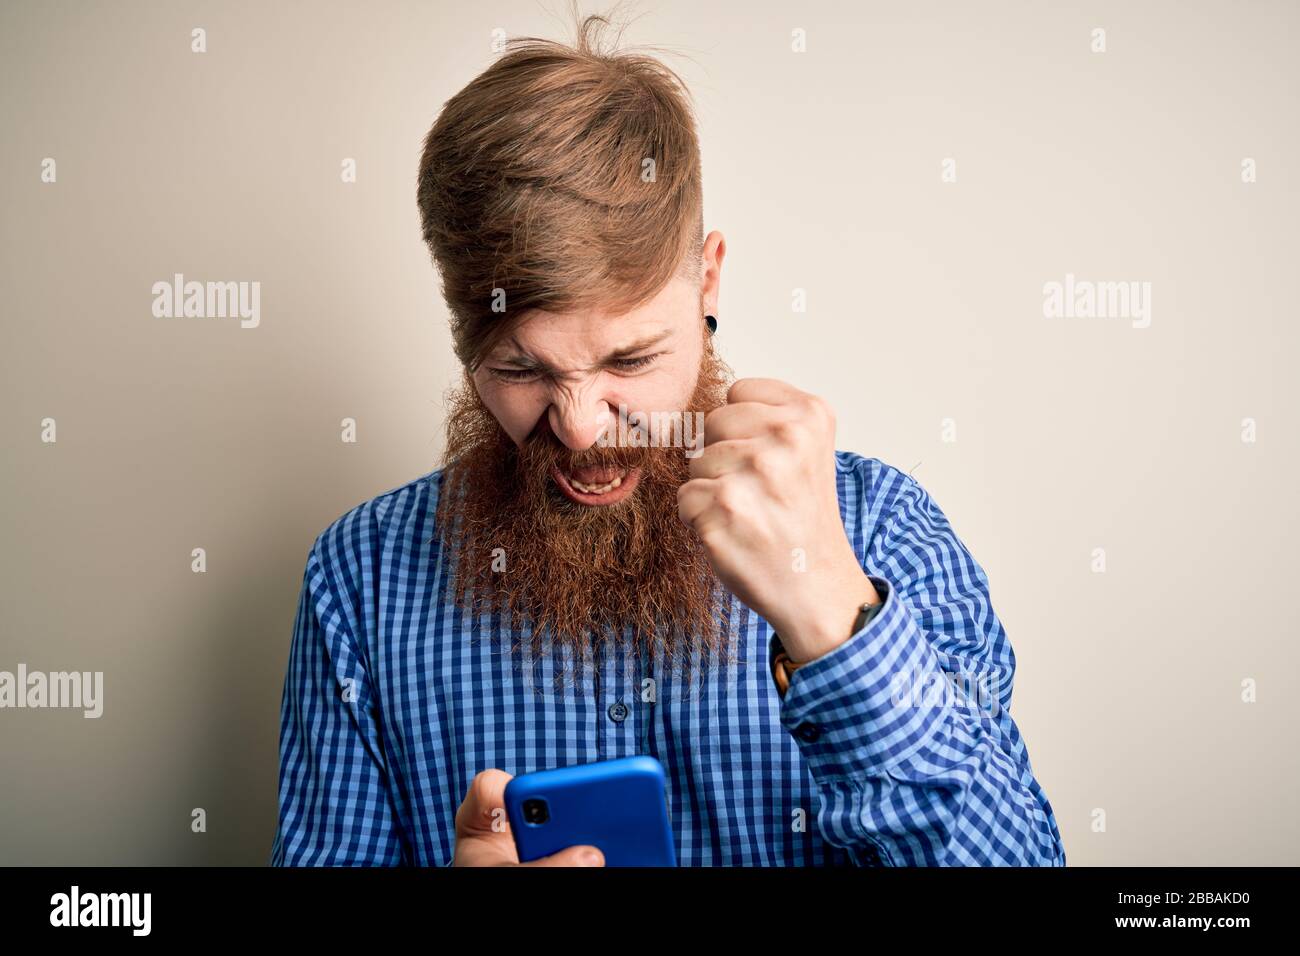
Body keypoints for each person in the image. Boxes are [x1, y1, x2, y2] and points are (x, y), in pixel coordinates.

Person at [271, 14, 1065, 867]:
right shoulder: (359, 581)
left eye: (631, 358)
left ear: (707, 280)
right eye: (521, 369)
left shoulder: (881, 532)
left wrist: (839, 623)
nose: (578, 427)